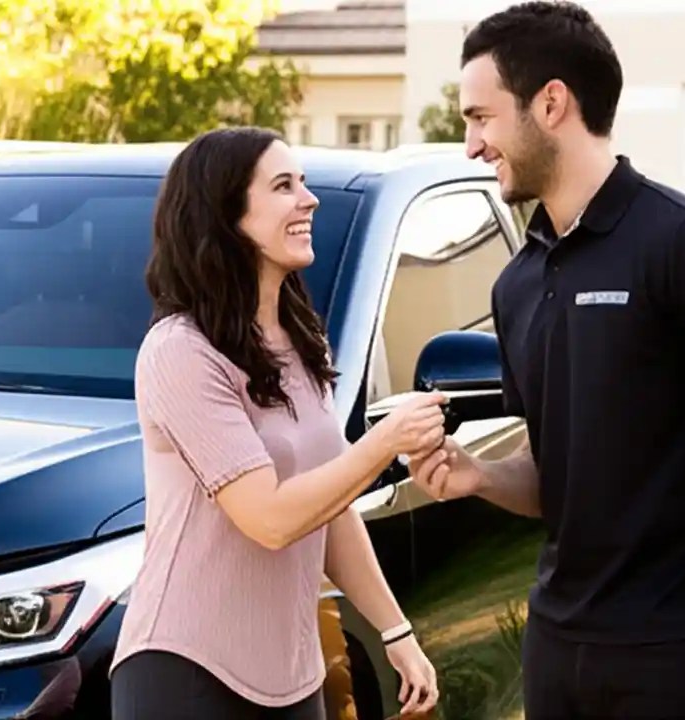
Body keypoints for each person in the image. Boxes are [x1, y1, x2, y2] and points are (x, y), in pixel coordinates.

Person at [409, 2, 685, 719]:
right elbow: (555, 477)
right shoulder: (518, 282)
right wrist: (479, 476)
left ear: (551, 103)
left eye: (481, 118)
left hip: (680, 651)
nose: (471, 145)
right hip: (557, 648)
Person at [108, 126, 445, 719]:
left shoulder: (300, 340)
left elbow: (330, 507)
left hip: (294, 675)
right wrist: (383, 442)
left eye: (304, 183)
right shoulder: (181, 351)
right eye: (284, 186)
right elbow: (269, 519)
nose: (308, 200)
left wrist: (396, 631)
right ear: (226, 213)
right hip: (188, 671)